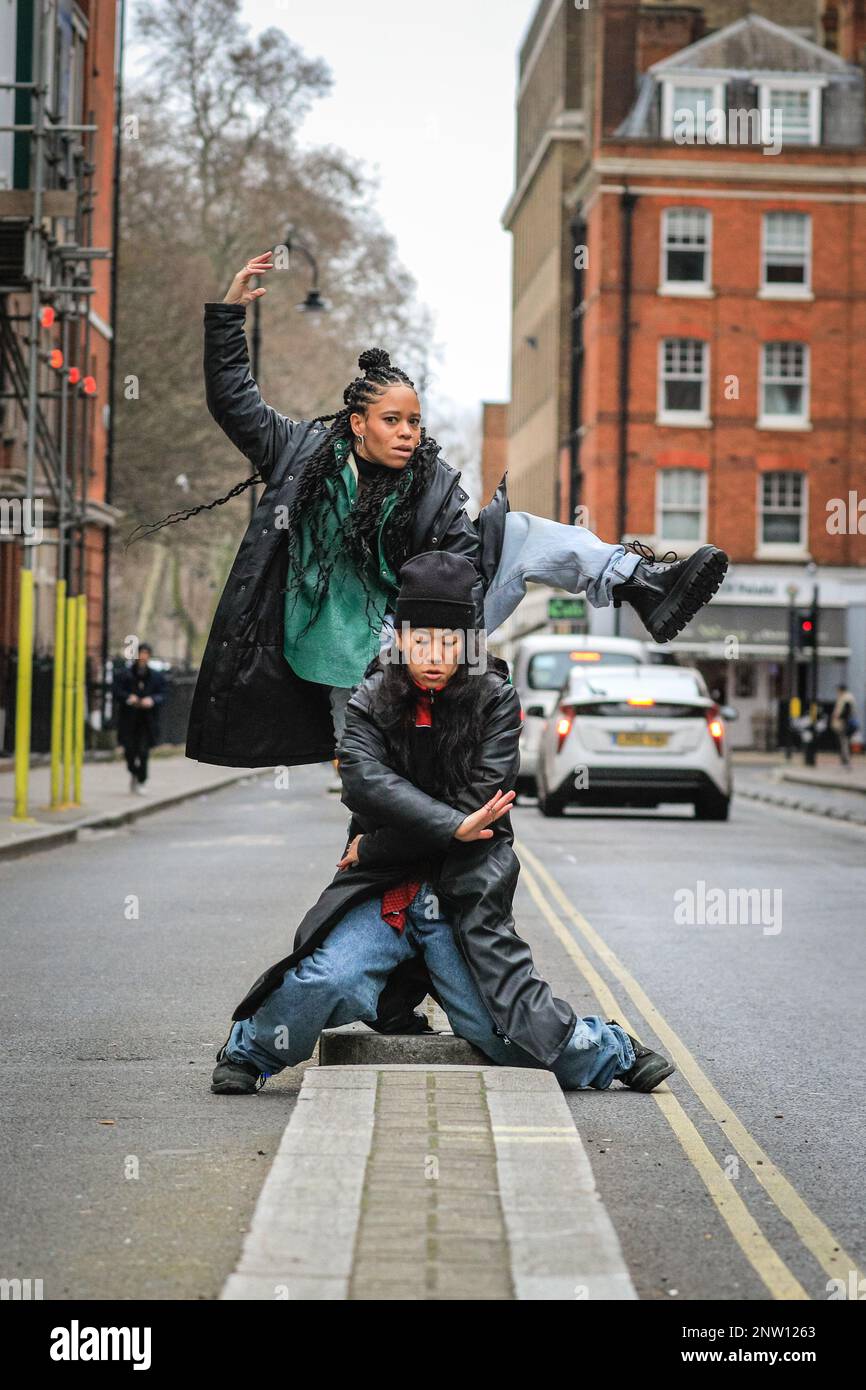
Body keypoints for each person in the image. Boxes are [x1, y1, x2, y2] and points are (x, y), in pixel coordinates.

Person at [127, 249, 729, 771]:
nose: (408, 432)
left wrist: (439, 641)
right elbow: (233, 398)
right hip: (342, 652)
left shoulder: (433, 485)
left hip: (428, 629)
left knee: (517, 532)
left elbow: (460, 569)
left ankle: (643, 582)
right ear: (358, 424)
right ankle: (373, 858)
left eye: (415, 420)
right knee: (372, 771)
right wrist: (228, 315)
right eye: (393, 421)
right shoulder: (299, 454)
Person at [211, 551, 675, 1097]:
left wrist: (377, 846)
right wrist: (446, 829)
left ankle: (612, 1050)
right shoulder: (369, 698)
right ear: (401, 638)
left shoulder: (497, 699)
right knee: (327, 978)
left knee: (500, 1032)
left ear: (470, 643)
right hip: (385, 892)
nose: (435, 654)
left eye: (450, 640)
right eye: (422, 639)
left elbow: (480, 801)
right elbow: (365, 783)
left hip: (464, 887)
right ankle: (248, 1050)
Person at [114, 643, 166, 794]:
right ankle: (134, 772)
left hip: (146, 721)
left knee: (143, 752)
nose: (143, 657)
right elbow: (117, 691)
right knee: (129, 751)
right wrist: (129, 698)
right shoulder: (125, 674)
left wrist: (152, 700)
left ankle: (141, 779)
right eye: (141, 653)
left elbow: (163, 694)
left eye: (146, 654)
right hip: (129, 720)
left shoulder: (156, 676)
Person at [830, 683, 858, 767]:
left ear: (841, 690)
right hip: (844, 723)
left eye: (838, 690)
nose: (837, 692)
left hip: (845, 724)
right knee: (844, 742)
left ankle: (846, 761)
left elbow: (846, 711)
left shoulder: (846, 698)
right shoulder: (845, 697)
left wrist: (839, 718)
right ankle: (844, 761)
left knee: (845, 742)